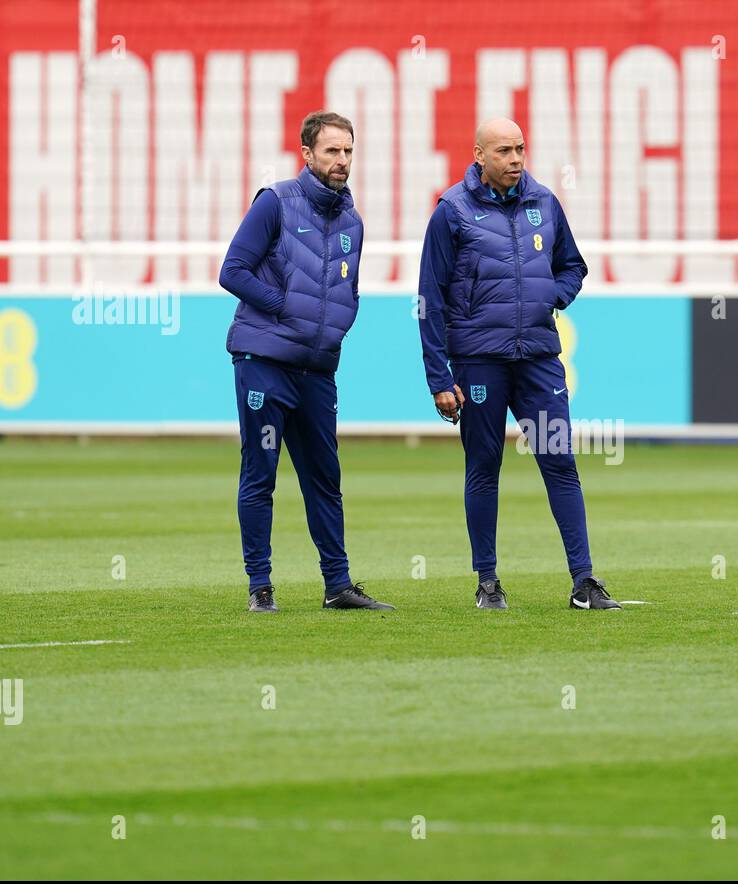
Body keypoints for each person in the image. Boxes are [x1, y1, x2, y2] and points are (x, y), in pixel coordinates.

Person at [417, 117, 620, 610]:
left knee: (561, 463)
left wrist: (552, 294)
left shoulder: (544, 203)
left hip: (537, 361)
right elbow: (430, 297)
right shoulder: (452, 211)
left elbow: (573, 265)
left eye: (520, 149)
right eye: (504, 151)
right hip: (479, 363)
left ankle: (583, 582)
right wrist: (439, 377)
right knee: (485, 467)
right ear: (479, 155)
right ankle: (488, 582)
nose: (515, 159)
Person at [220, 110, 393, 613]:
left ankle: (337, 586)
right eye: (332, 151)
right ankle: (260, 586)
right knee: (261, 473)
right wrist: (282, 308)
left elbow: (350, 291)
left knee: (325, 477)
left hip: (317, 371)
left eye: (348, 152)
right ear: (307, 154)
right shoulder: (275, 203)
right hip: (264, 363)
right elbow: (233, 270)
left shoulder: (353, 222)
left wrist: (334, 329)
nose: (342, 161)